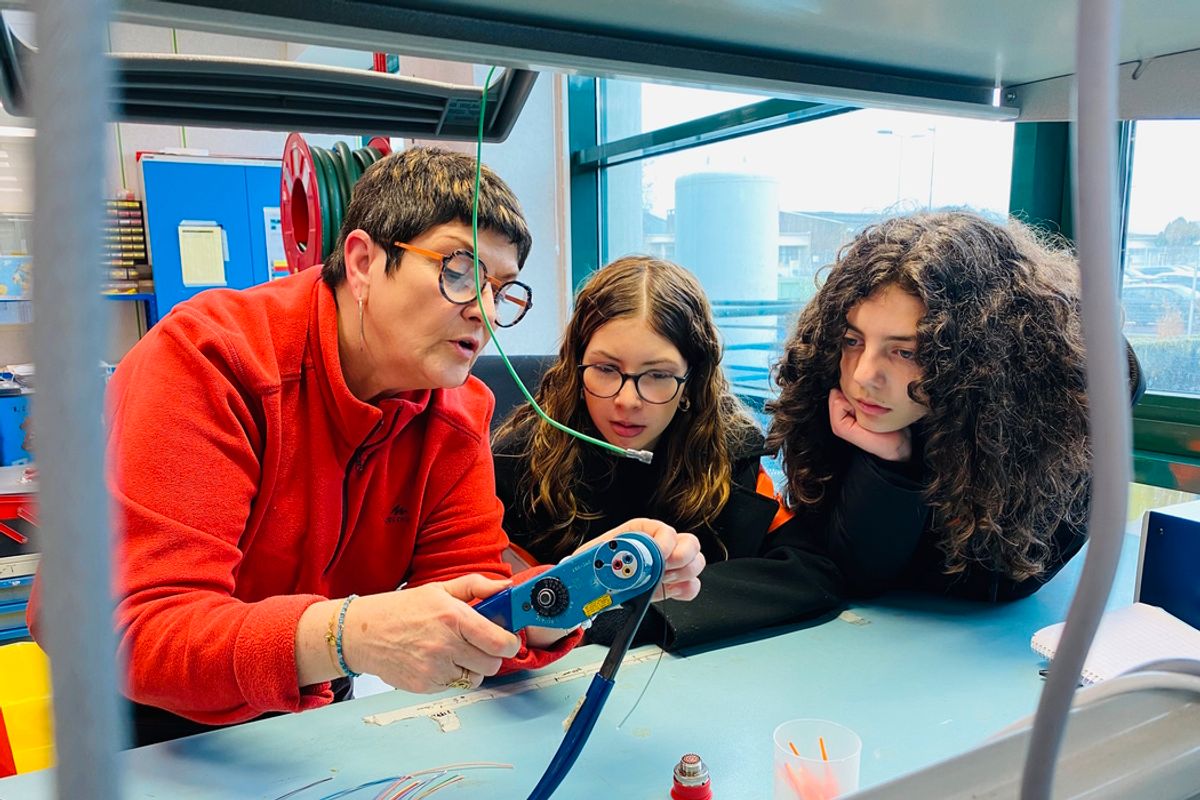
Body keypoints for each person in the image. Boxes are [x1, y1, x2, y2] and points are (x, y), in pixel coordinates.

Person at [27, 147, 703, 745]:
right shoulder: (209, 361)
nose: (486, 314)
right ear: (362, 260)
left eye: (503, 291)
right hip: (145, 720)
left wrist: (572, 589)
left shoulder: (459, 411)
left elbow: (474, 601)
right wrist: (350, 635)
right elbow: (141, 630)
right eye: (461, 271)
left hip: (312, 699)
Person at [767, 211, 1144, 602]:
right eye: (852, 340)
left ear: (980, 359)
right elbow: (847, 573)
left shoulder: (1048, 425)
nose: (863, 375)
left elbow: (1001, 582)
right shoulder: (828, 393)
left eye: (905, 351)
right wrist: (887, 461)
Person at [493, 256, 841, 650]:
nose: (627, 400)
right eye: (606, 369)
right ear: (576, 366)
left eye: (657, 375)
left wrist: (638, 619)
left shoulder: (728, 454)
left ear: (693, 380)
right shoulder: (516, 463)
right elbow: (495, 609)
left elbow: (809, 569)